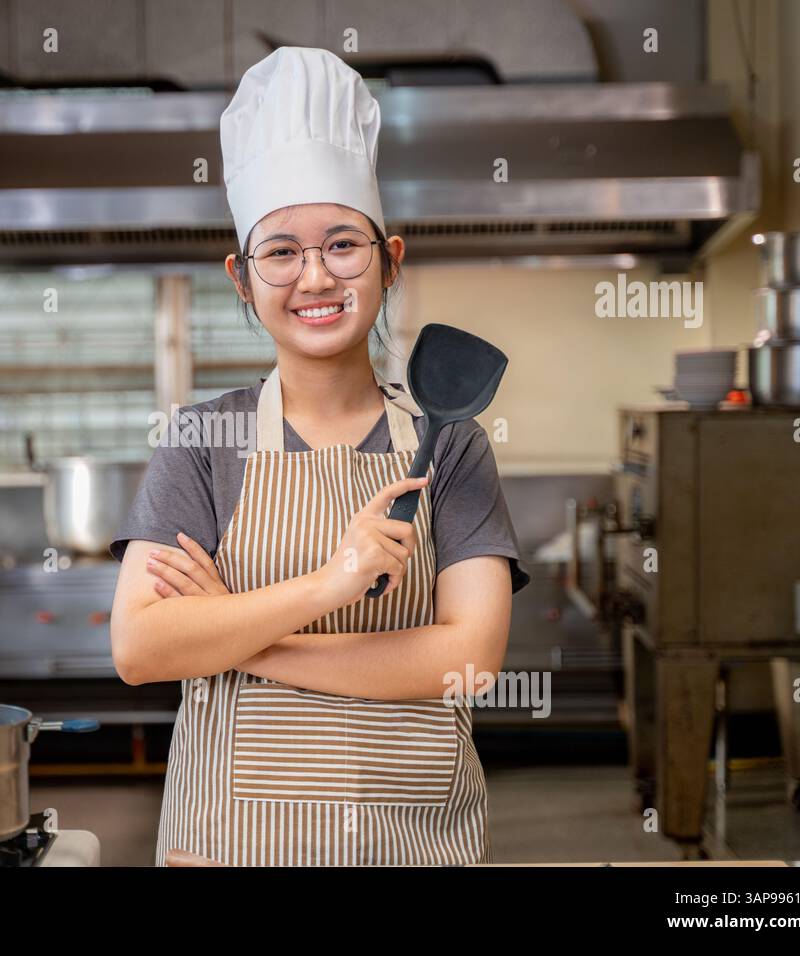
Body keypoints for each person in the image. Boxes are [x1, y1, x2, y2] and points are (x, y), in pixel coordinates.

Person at [108, 46, 530, 866]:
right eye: (281, 251)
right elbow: (141, 650)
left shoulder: (452, 446)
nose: (314, 276)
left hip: (409, 840)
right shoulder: (203, 442)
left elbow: (469, 661)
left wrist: (240, 640)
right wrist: (330, 584)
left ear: (390, 261)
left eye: (343, 244)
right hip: (230, 844)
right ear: (241, 276)